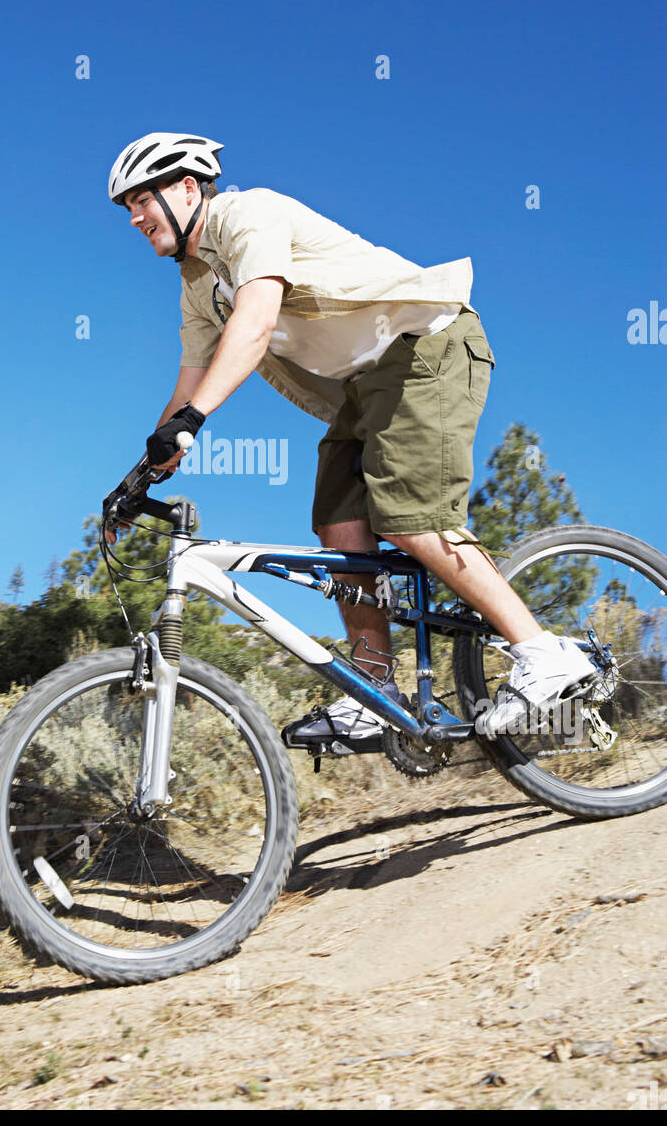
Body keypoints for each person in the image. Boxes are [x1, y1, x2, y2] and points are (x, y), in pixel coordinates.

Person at [107, 131, 596, 738]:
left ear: (186, 189)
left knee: (408, 518)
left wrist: (192, 421)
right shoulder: (197, 284)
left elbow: (255, 322)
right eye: (125, 207)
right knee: (340, 528)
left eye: (141, 200)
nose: (133, 217)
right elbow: (190, 382)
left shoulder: (247, 214)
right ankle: (376, 688)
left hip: (426, 345)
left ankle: (546, 656)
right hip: (366, 383)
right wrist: (138, 476)